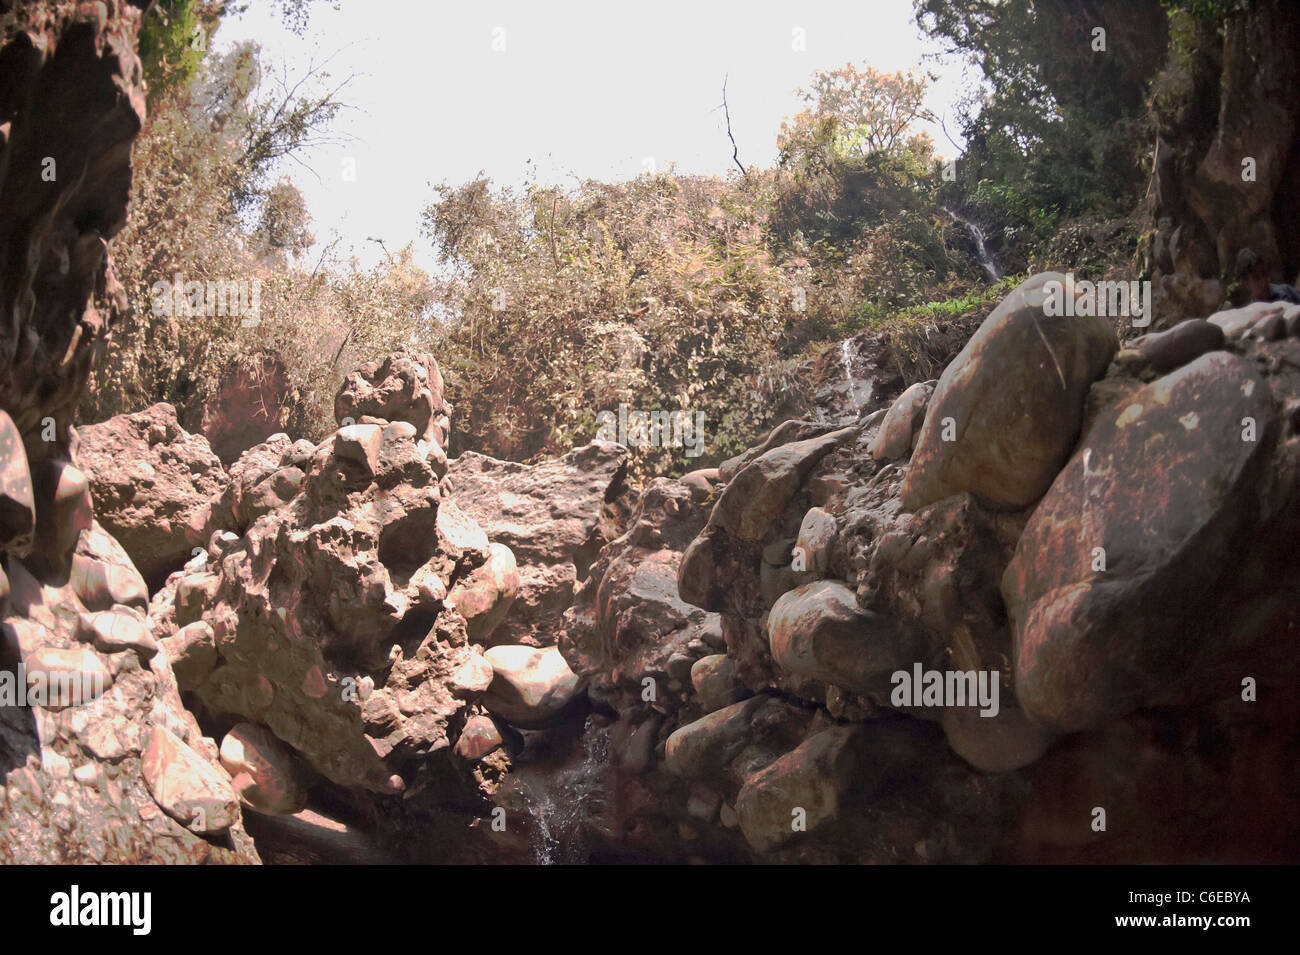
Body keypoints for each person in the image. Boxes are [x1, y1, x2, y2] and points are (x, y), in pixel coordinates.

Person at [1236, 247, 1300, 304]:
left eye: (1264, 273)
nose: (1263, 281)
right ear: (1246, 284)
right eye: (1256, 278)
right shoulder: (1252, 313)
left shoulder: (1287, 291)